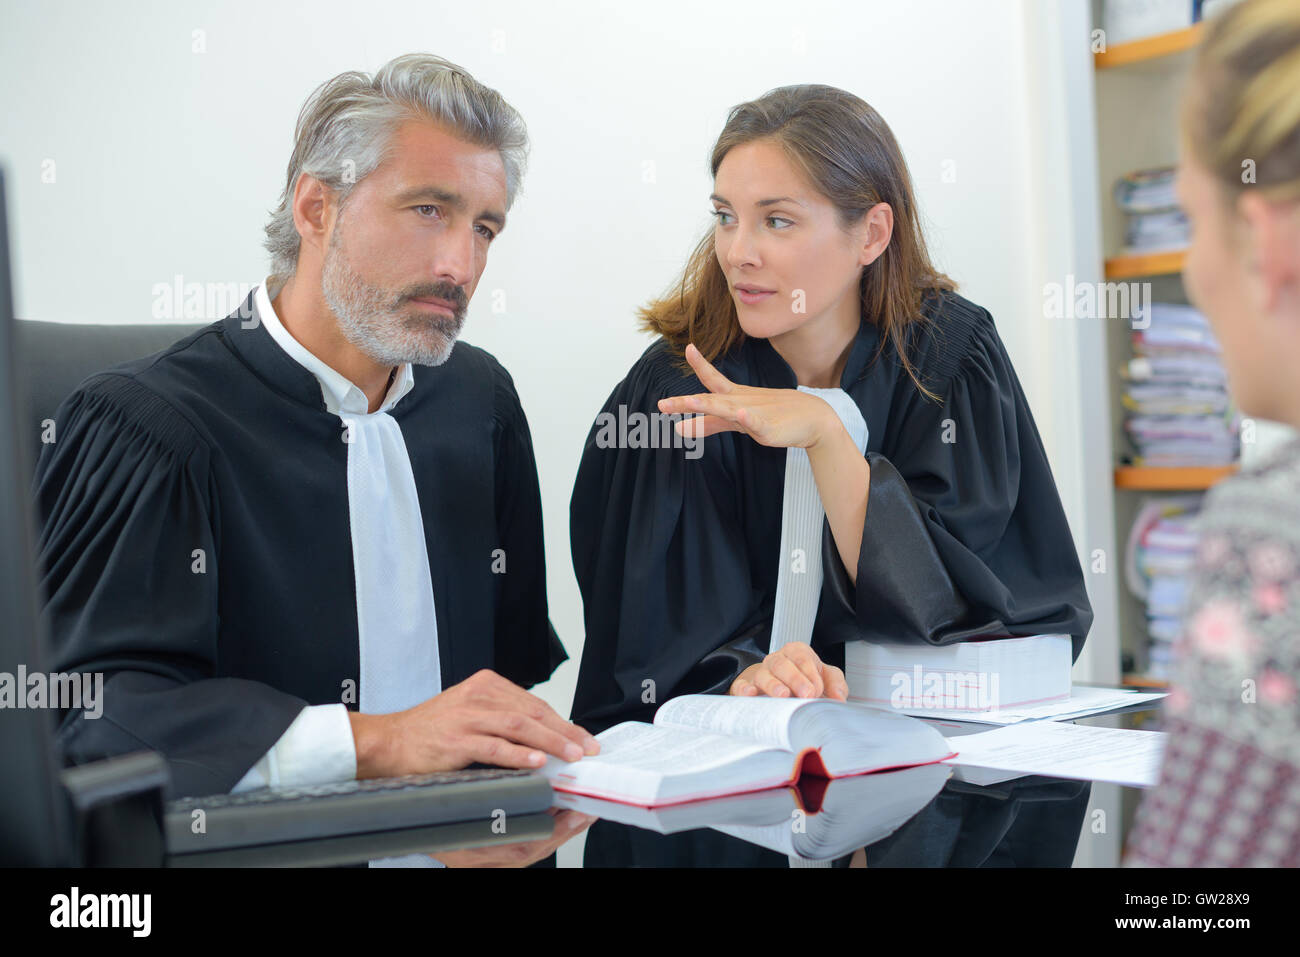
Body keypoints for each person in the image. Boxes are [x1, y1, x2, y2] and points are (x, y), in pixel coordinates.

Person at [32, 54, 596, 865]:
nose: (461, 266)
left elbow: (500, 689)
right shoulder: (151, 429)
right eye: (428, 210)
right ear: (315, 206)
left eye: (484, 226)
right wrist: (380, 744)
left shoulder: (481, 405)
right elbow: (88, 720)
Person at [569, 84, 1094, 866]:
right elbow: (649, 642)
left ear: (871, 232)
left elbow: (968, 604)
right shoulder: (677, 390)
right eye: (724, 216)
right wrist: (752, 675)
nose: (739, 250)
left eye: (776, 220)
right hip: (729, 811)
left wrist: (824, 435)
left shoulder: (950, 361)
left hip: (916, 800)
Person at [1124, 0, 1300, 867]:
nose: (1192, 270)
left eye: (1192, 219)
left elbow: (1193, 902)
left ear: (1264, 239)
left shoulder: (1274, 529)